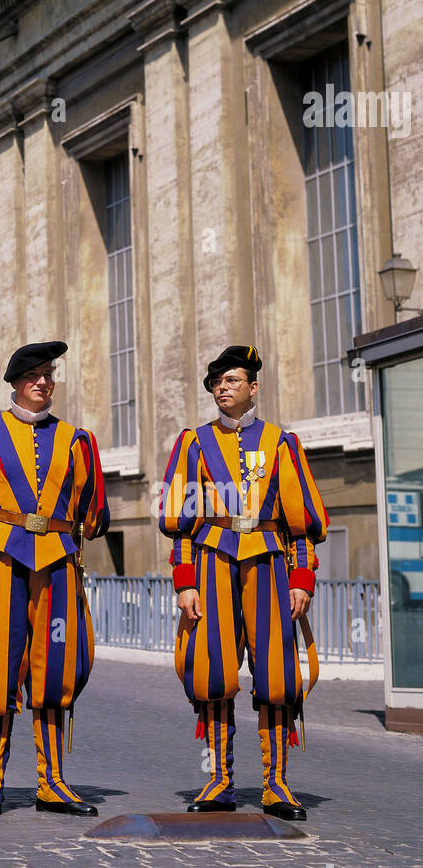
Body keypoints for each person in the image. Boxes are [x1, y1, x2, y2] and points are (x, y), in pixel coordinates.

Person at [0, 340, 110, 819]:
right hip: (2, 560)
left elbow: (93, 512)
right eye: (33, 374)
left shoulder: (77, 439)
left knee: (55, 668)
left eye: (49, 373)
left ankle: (51, 782)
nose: (43, 381)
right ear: (14, 382)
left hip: (57, 559)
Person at [159, 345, 328, 820]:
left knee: (276, 674)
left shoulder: (280, 442)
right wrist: (185, 581)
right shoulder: (193, 443)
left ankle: (276, 784)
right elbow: (180, 523)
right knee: (214, 671)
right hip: (211, 561)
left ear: (253, 387)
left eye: (232, 380)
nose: (222, 388)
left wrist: (302, 578)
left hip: (271, 563)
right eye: (217, 382)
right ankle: (219, 780)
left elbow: (301, 524)